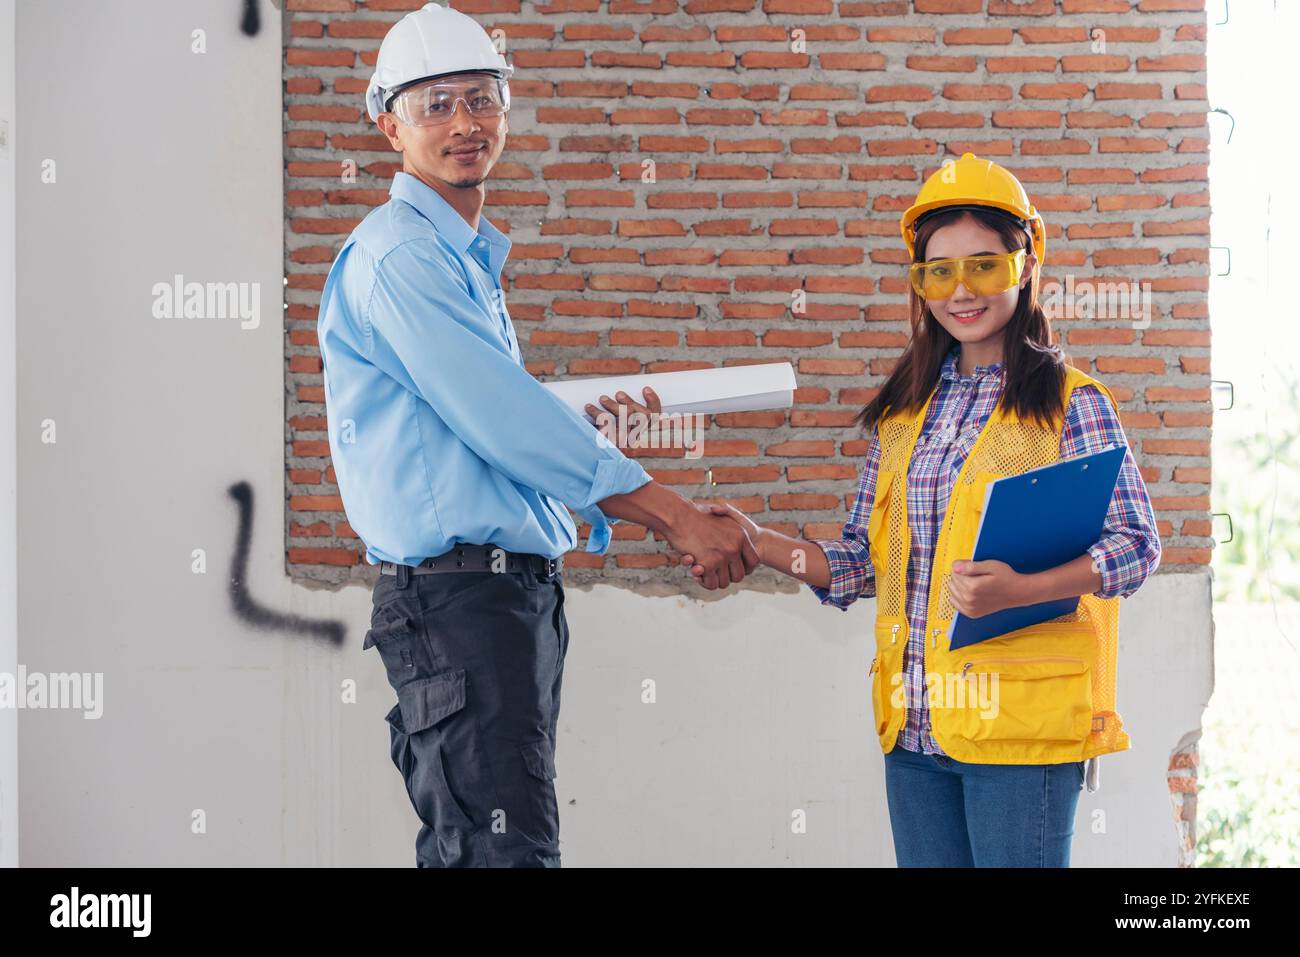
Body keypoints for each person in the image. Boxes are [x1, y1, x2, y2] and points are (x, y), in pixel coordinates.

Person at [317, 3, 758, 867]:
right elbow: (504, 421)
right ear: (388, 124)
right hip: (459, 605)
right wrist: (671, 515)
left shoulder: (459, 257)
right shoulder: (403, 257)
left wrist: (568, 440)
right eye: (434, 104)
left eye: (480, 98)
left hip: (495, 600)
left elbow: (485, 425)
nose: (463, 123)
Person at [685, 153, 1163, 867]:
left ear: (1025, 265)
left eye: (984, 266)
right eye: (939, 271)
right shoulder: (907, 413)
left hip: (1020, 732)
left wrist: (1022, 591)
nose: (960, 290)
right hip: (912, 733)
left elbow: (1136, 544)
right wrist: (761, 542)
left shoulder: (1071, 402)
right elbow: (861, 560)